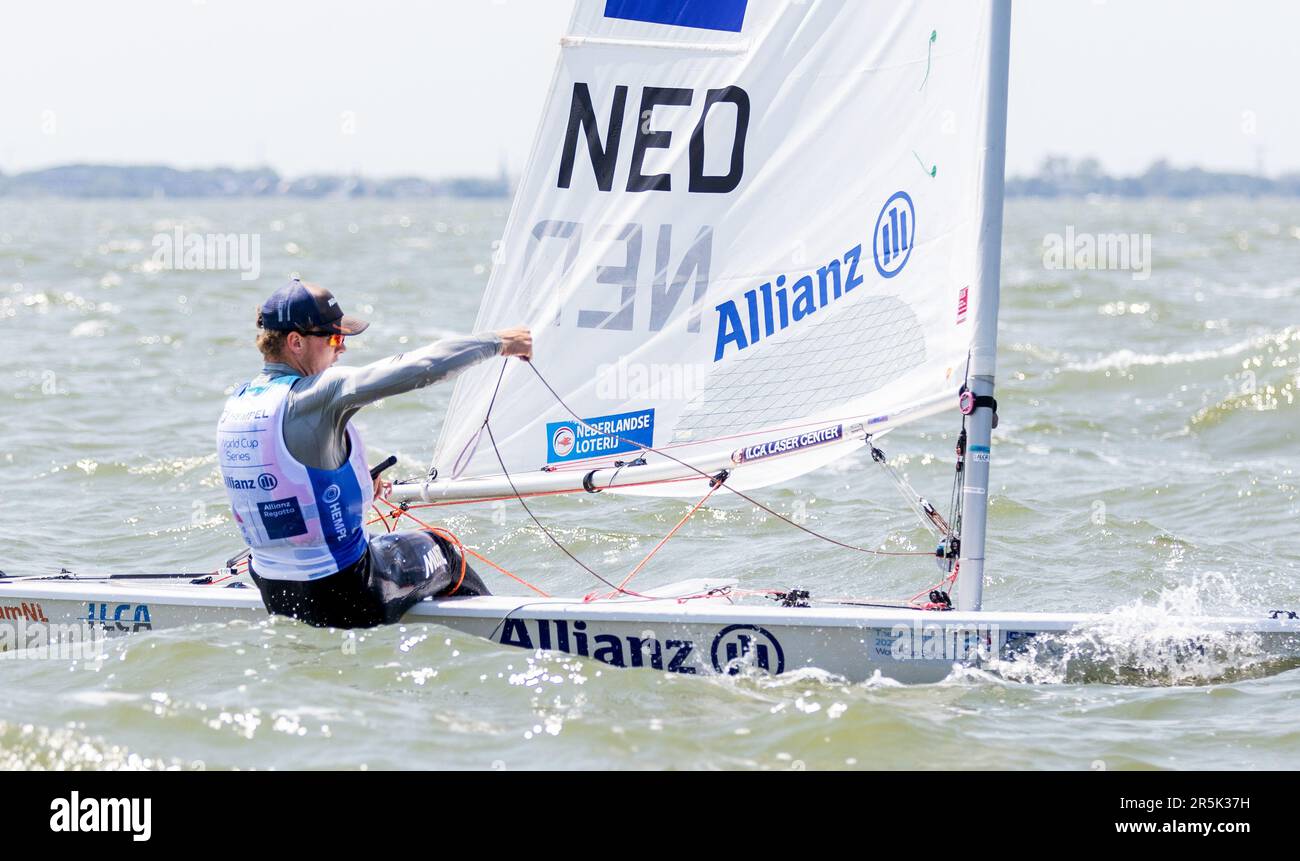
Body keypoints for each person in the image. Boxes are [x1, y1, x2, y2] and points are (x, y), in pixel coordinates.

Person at [216, 278, 531, 628]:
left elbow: (285, 484)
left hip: (275, 589)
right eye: (334, 338)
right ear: (295, 342)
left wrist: (357, 483)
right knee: (444, 549)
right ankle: (499, 636)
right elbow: (418, 368)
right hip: (345, 591)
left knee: (378, 543)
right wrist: (499, 342)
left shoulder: (242, 402)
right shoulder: (318, 394)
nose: (343, 349)